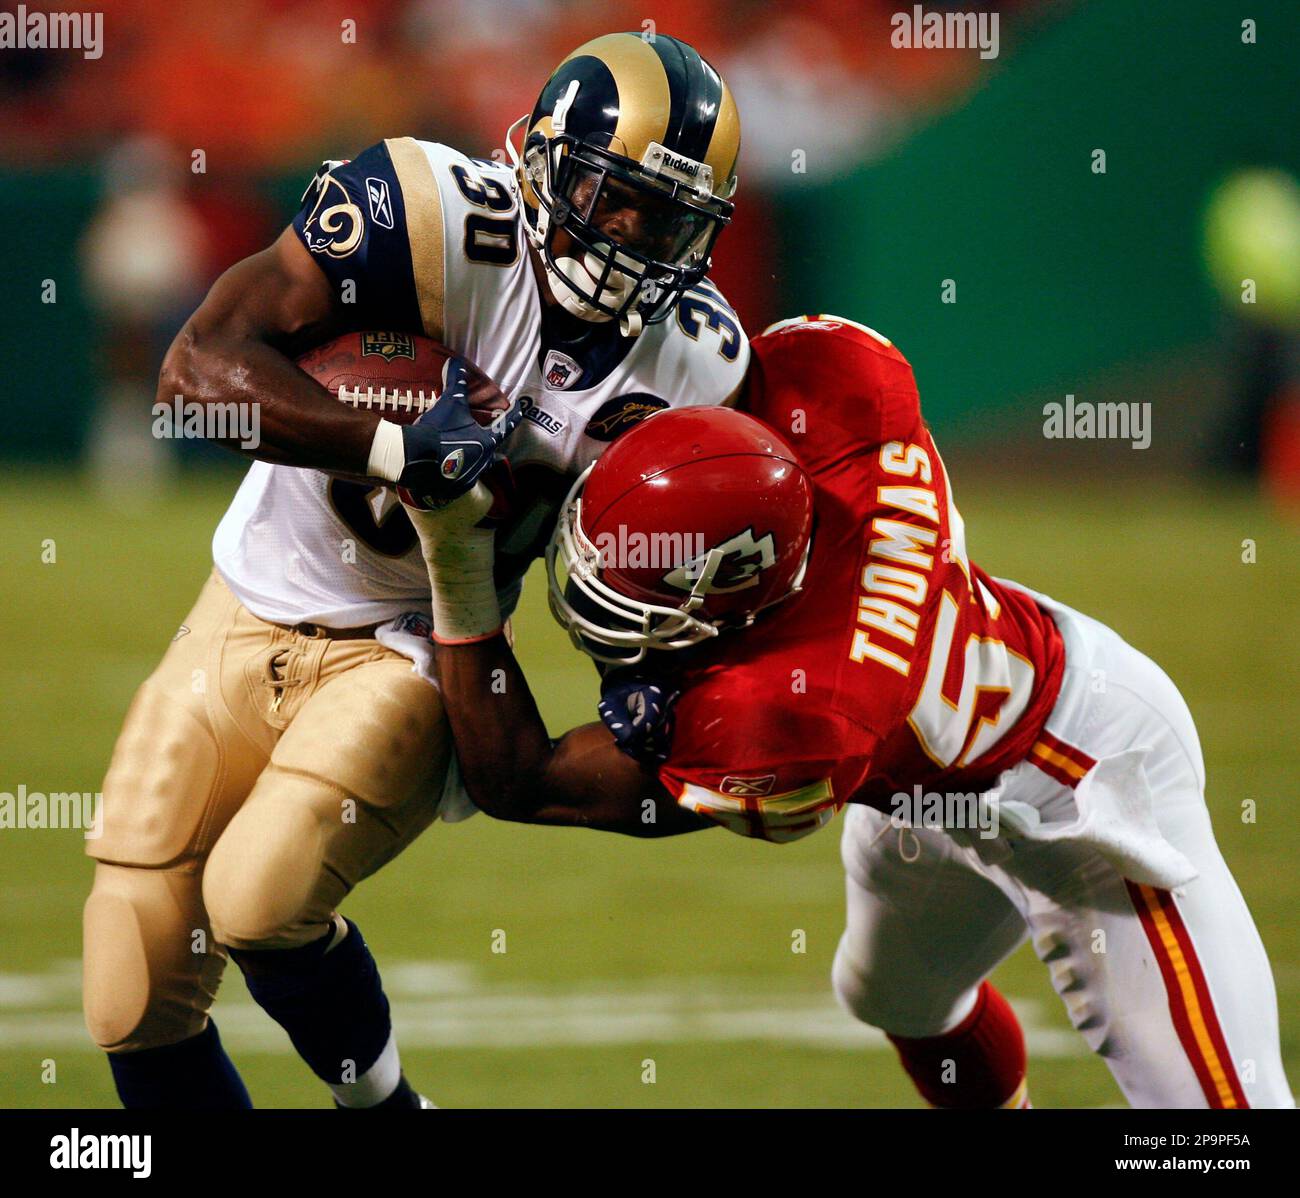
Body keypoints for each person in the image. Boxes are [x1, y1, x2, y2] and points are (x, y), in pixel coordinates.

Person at [84, 32, 747, 1109]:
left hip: (419, 636)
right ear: (537, 158)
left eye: (662, 218)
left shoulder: (698, 363)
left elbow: (704, 559)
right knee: (130, 974)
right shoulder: (429, 212)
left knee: (258, 898)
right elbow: (194, 371)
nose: (627, 237)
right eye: (607, 194)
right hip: (247, 595)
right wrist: (391, 448)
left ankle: (388, 1111)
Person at [409, 314, 1293, 1109]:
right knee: (892, 995)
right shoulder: (841, 401)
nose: (601, 604)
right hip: (930, 771)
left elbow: (525, 781)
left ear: (734, 600)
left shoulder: (786, 720)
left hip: (1085, 787)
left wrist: (455, 563)